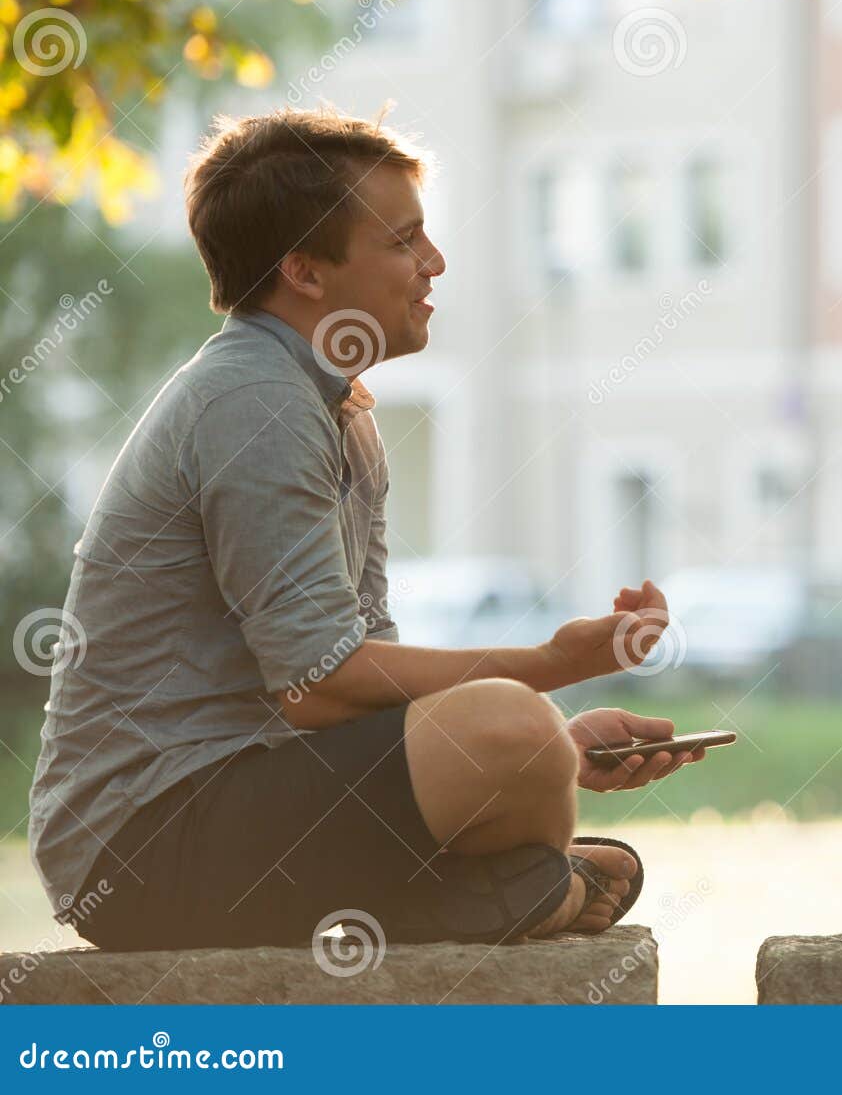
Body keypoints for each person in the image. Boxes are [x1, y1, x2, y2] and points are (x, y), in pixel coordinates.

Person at [28, 107, 703, 951]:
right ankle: (485, 895)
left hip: (253, 803)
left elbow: (361, 691)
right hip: (143, 847)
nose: (435, 264)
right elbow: (323, 684)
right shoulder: (253, 399)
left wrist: (558, 753)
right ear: (305, 272)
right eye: (404, 241)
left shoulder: (341, 410)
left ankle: (492, 893)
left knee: (517, 737)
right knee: (507, 724)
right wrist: (550, 668)